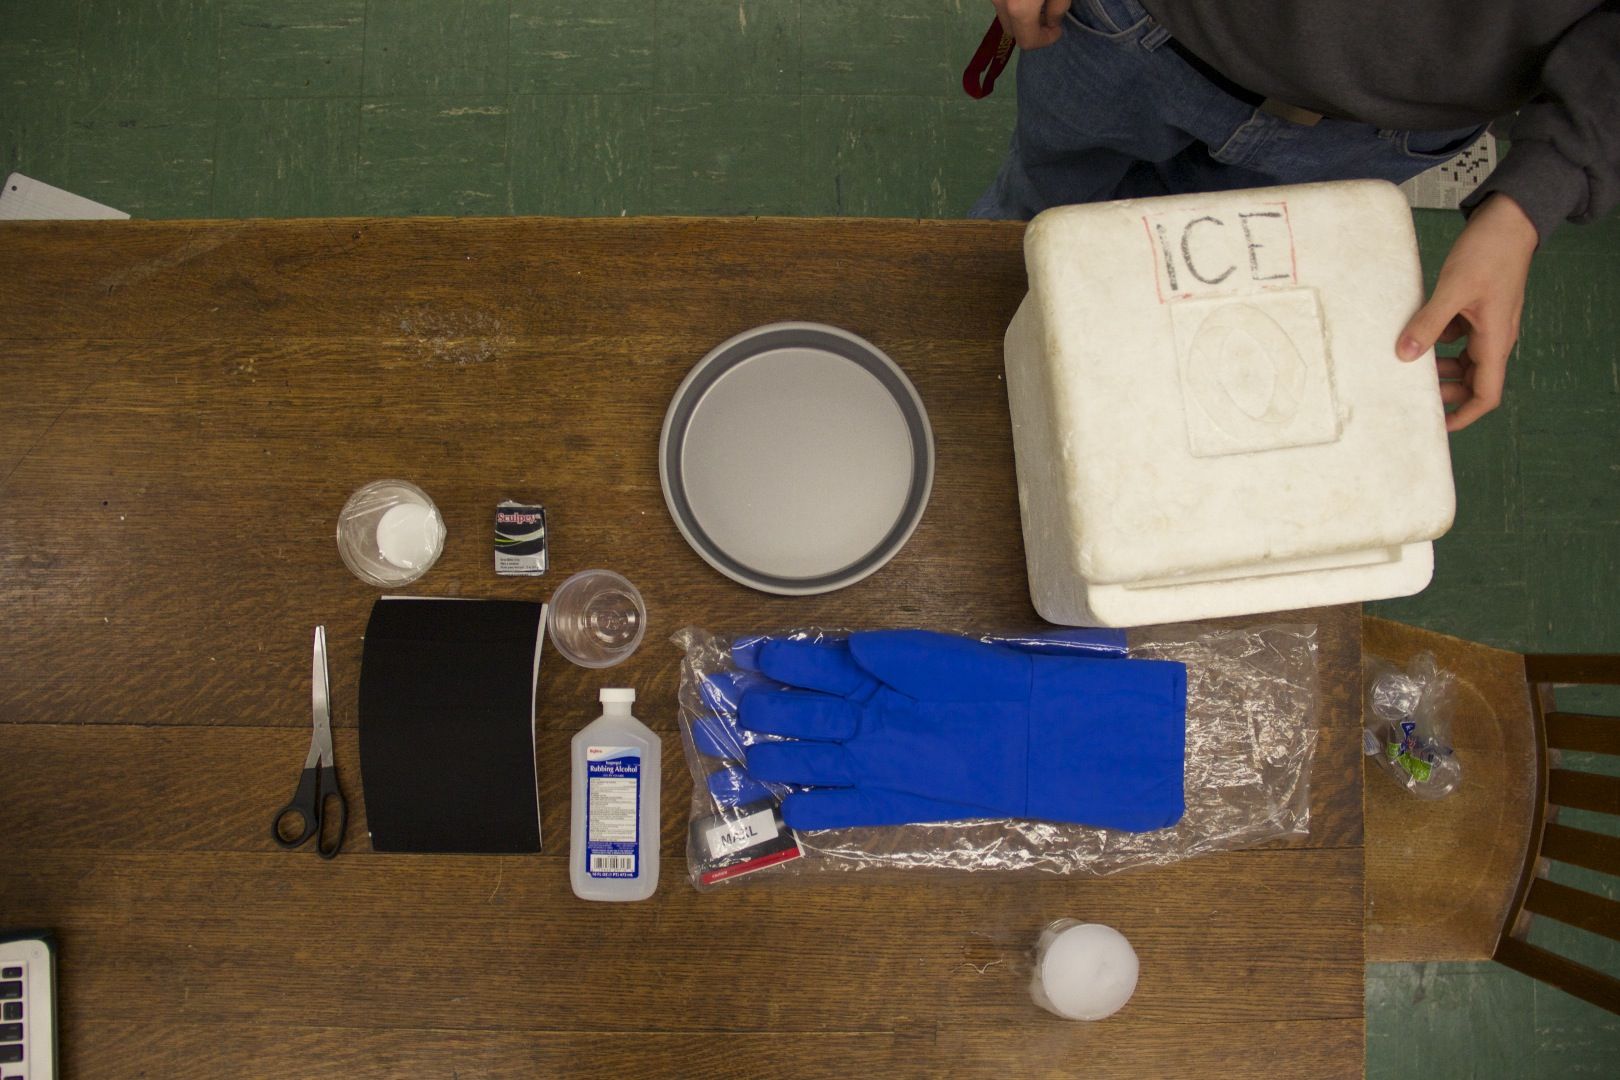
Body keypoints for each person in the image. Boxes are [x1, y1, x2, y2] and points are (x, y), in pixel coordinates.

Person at [975, 0, 1619, 431]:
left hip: (1386, 125)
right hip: (1136, 29)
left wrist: (1530, 204)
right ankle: (965, 371)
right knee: (1023, 227)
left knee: (1202, 327)